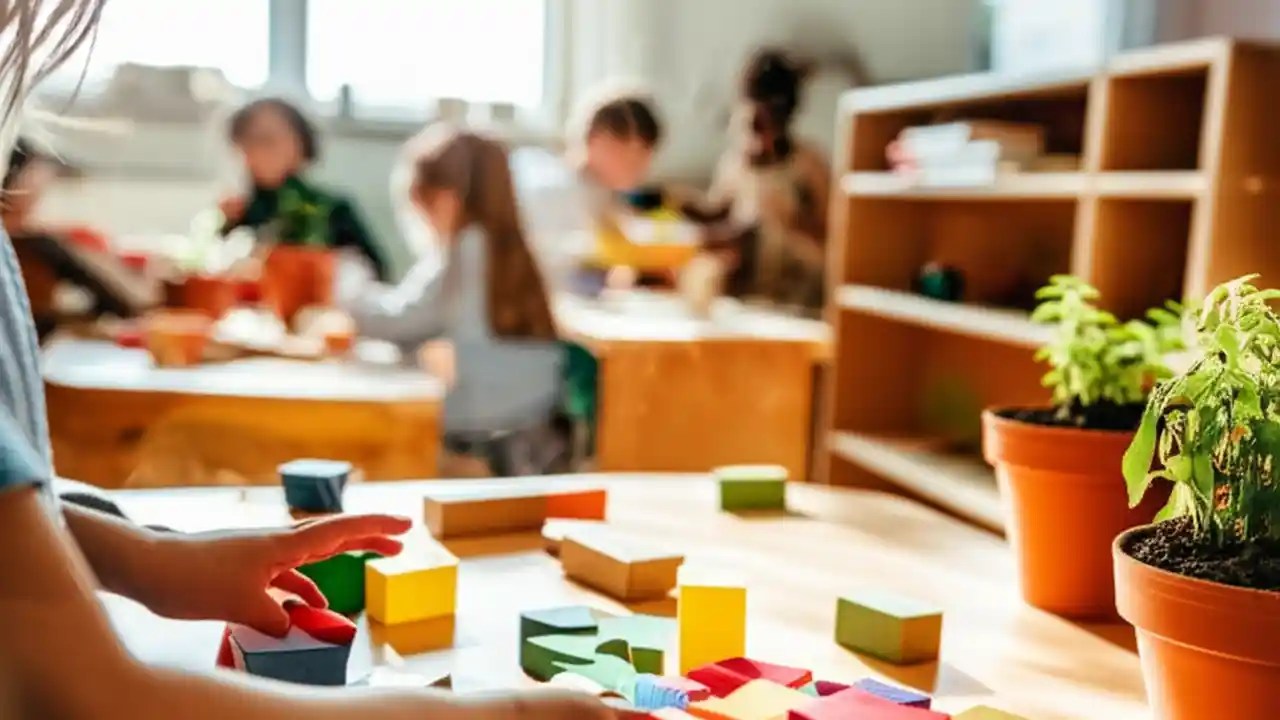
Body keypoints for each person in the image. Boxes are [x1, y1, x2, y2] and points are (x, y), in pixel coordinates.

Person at [0, 3, 620, 717]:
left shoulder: (385, 231)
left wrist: (152, 558)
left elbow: (27, 516)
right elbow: (89, 692)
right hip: (523, 428)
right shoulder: (489, 248)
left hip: (484, 433)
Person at [346, 127, 564, 477]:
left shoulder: (464, 250)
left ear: (445, 198)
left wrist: (345, 290)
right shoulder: (511, 247)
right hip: (529, 427)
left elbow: (399, 319)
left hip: (480, 430)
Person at [221, 98, 391, 281]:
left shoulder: (332, 209)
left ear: (301, 145)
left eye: (267, 140)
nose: (256, 150)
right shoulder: (234, 213)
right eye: (247, 140)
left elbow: (377, 273)